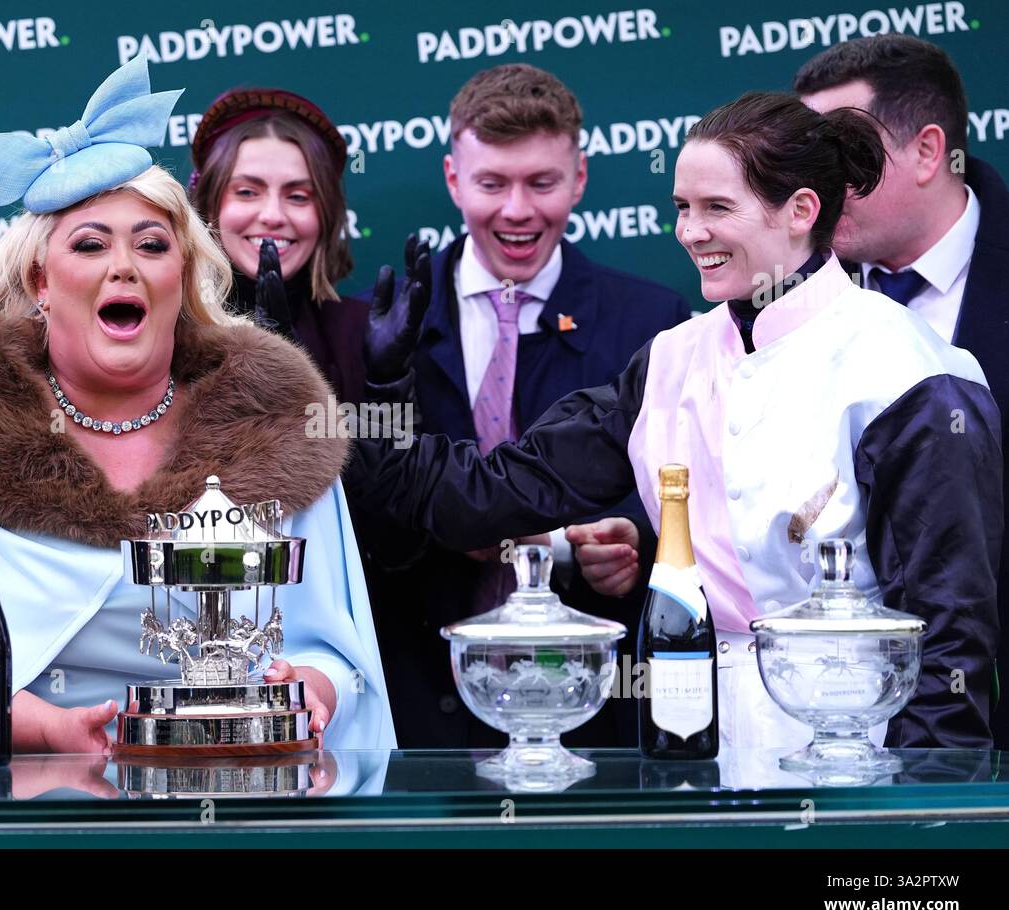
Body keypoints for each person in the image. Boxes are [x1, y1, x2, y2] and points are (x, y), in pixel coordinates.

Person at [352, 91, 1002, 753]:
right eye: (682, 208)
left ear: (802, 211)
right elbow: (485, 498)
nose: (691, 232)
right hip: (690, 756)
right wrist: (384, 389)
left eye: (717, 208)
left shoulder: (909, 372)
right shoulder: (671, 357)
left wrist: (916, 823)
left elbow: (953, 639)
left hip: (856, 760)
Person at [0, 56, 395, 760]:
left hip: (231, 798)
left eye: (152, 245)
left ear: (181, 275)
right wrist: (49, 729)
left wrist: (312, 689)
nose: (125, 266)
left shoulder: (271, 428)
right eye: (91, 244)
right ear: (40, 278)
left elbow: (336, 646)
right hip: (14, 808)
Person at [362, 64, 691, 749]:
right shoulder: (386, 324)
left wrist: (638, 536)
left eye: (542, 183)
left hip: (599, 714)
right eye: (492, 184)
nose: (517, 210)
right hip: (419, 708)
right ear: (454, 180)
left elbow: (690, 488)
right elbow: (366, 508)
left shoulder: (652, 321)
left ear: (580, 179)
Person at [792, 35, 1009, 749]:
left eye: (845, 155)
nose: (817, 187)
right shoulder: (784, 302)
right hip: (836, 730)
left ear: (927, 152)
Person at [188, 87, 370, 407]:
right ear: (208, 206)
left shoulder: (364, 335)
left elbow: (396, 453)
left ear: (326, 215)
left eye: (298, 196)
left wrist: (390, 386)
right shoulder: (165, 333)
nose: (273, 215)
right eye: (246, 192)